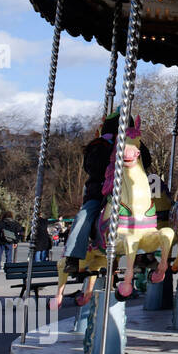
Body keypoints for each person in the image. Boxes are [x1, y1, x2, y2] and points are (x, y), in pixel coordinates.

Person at [61, 112, 150, 272]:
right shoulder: (100, 144)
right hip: (101, 192)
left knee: (146, 212)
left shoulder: (132, 142)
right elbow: (91, 167)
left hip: (128, 190)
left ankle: (144, 254)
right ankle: (73, 255)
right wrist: (112, 158)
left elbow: (146, 161)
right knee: (85, 215)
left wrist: (136, 143)